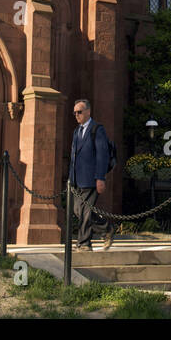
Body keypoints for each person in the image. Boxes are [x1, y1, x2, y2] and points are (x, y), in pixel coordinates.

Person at [68, 99, 115, 250]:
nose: (77, 115)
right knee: (77, 210)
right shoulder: (77, 131)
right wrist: (71, 179)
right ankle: (106, 228)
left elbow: (102, 155)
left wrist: (100, 178)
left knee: (85, 211)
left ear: (88, 112)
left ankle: (84, 243)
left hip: (91, 179)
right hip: (77, 180)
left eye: (79, 112)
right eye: (75, 113)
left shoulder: (97, 129)